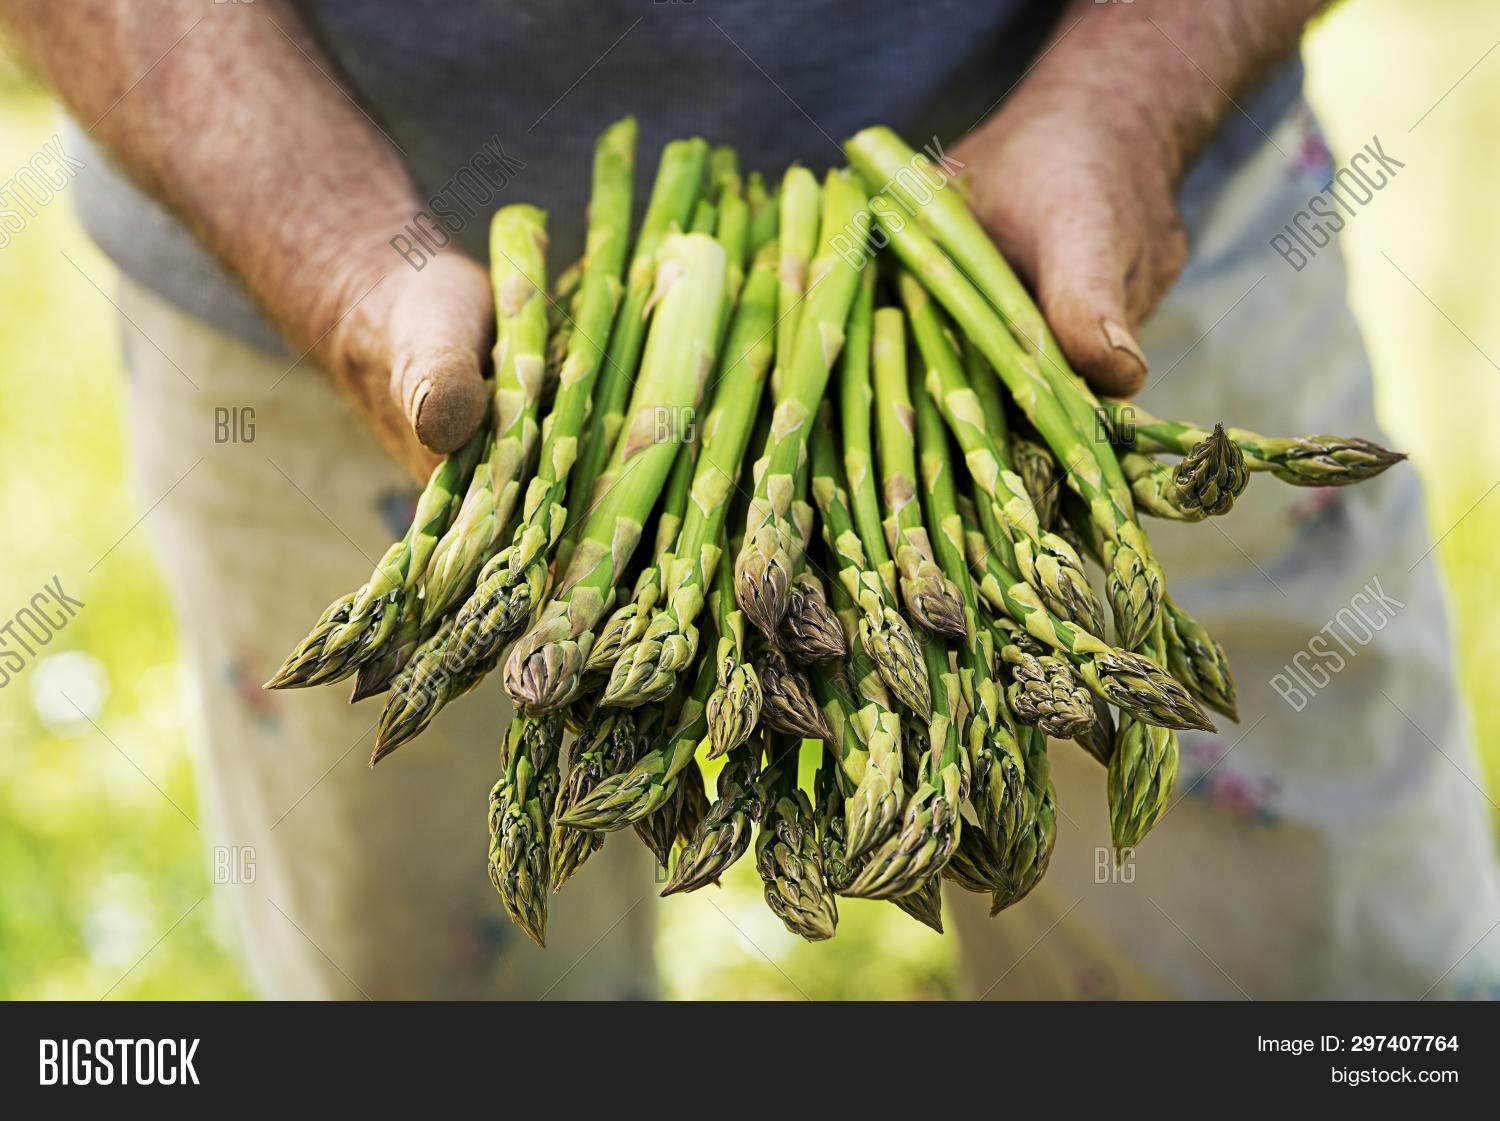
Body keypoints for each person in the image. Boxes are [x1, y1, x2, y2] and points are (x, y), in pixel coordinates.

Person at [5, 0, 1496, 999]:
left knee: (1332, 1005)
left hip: (1081, 255)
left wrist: (1126, 100)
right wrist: (335, 255)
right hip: (302, 242)